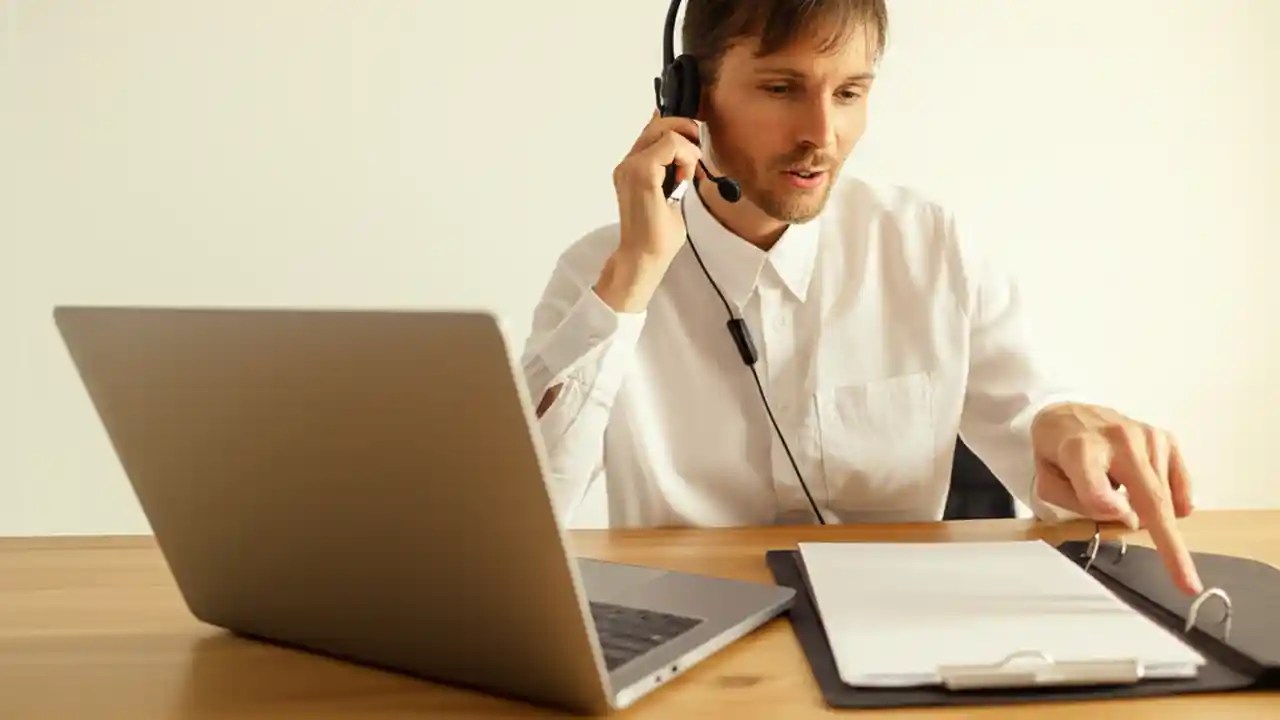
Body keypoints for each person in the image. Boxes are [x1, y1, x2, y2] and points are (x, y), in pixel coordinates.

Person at [519, 0, 1201, 596]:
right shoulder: (600, 273)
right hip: (687, 644)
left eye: (849, 93)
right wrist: (634, 275)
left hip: (896, 632)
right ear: (686, 100)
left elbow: (1040, 437)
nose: (823, 134)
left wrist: (1066, 433)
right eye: (783, 88)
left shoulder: (931, 247)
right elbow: (521, 515)